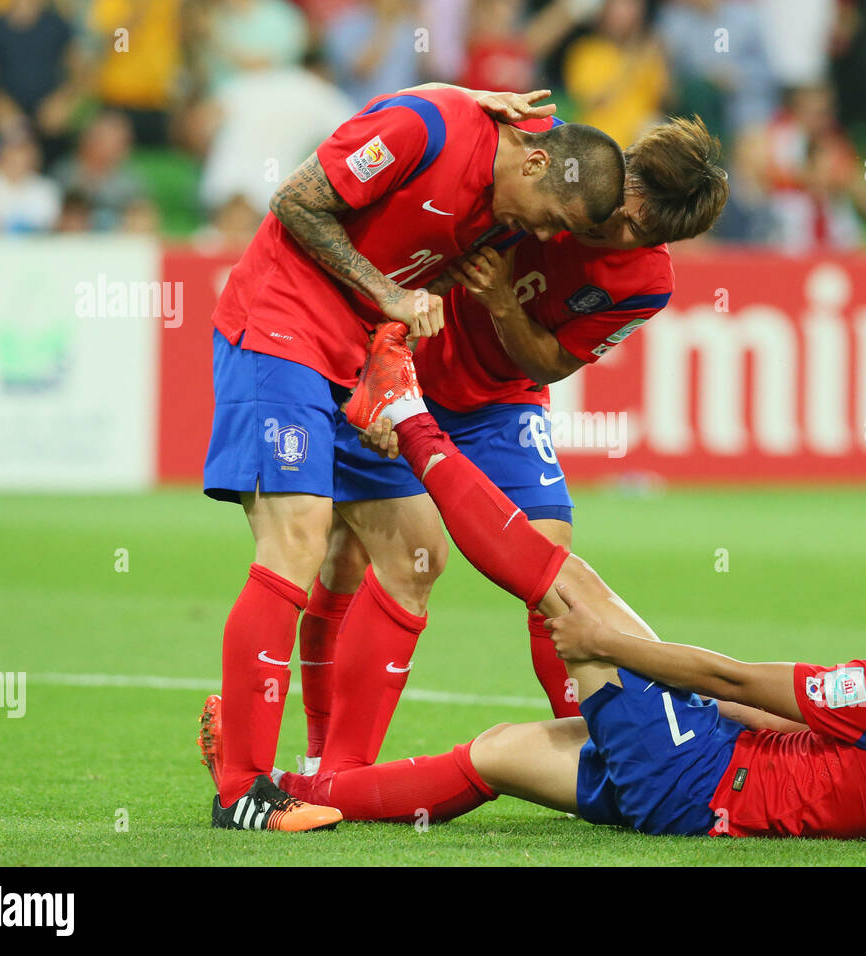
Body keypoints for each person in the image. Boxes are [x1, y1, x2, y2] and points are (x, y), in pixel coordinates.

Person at [205, 320, 866, 838]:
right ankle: (293, 790)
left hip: (697, 778)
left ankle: (406, 412)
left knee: (565, 587)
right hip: (701, 788)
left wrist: (611, 648)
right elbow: (797, 742)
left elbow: (732, 676)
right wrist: (658, 695)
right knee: (495, 755)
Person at [197, 83, 624, 831]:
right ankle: (242, 791)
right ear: (532, 164)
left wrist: (387, 363)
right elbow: (295, 203)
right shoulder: (422, 127)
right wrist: (387, 295)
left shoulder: (518, 180)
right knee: (297, 540)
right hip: (281, 330)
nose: (550, 238)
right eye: (554, 220)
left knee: (419, 554)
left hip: (357, 360)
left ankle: (335, 776)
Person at [290, 113, 729, 776]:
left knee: (551, 571)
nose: (627, 233)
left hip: (501, 403)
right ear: (622, 168)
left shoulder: (647, 282)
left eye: (649, 233)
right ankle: (332, 764)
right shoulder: (545, 165)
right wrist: (378, 358)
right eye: (632, 216)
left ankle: (607, 754)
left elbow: (552, 363)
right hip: (397, 368)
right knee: (361, 560)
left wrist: (501, 301)